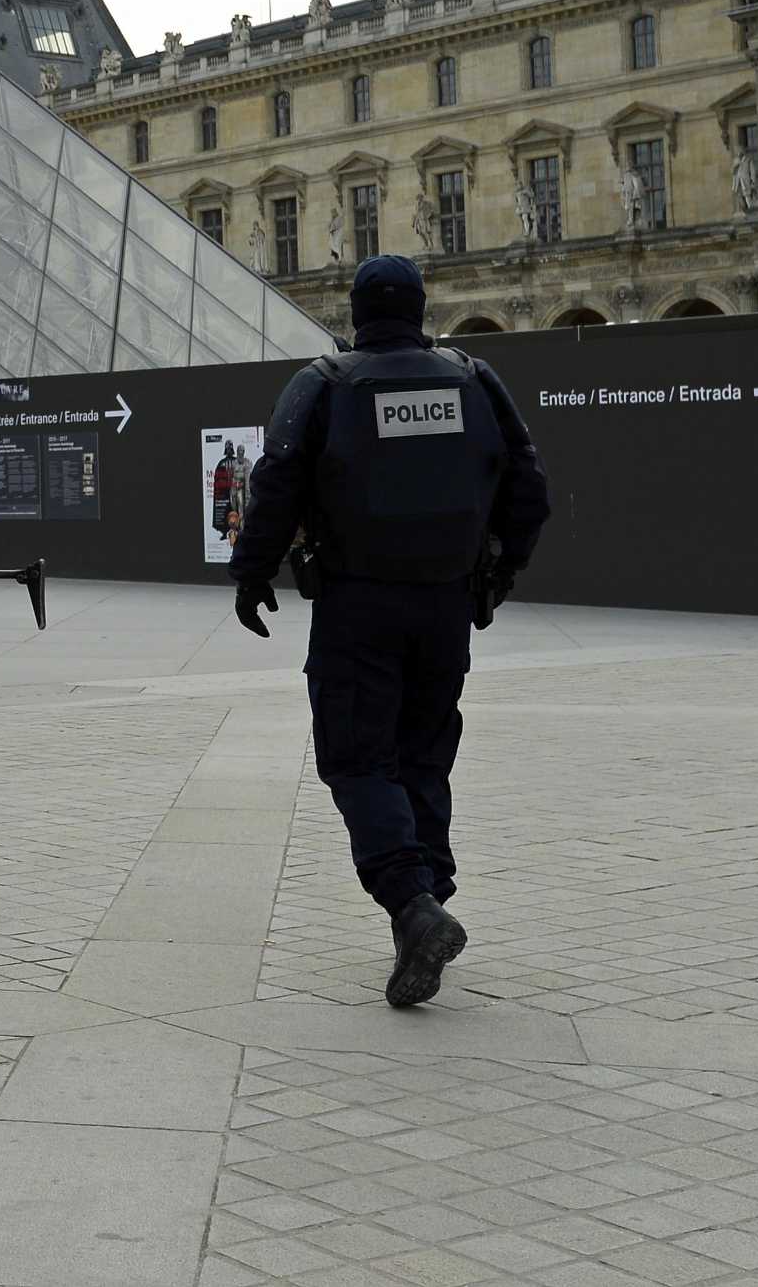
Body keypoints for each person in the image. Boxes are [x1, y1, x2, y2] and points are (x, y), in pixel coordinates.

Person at [228, 254, 549, 1010]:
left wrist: (252, 573)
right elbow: (528, 481)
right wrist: (500, 573)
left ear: (356, 311)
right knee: (423, 753)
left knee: (358, 757)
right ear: (421, 305)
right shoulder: (472, 377)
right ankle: (428, 895)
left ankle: (412, 904)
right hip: (446, 603)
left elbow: (275, 480)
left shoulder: (326, 383)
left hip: (357, 604)